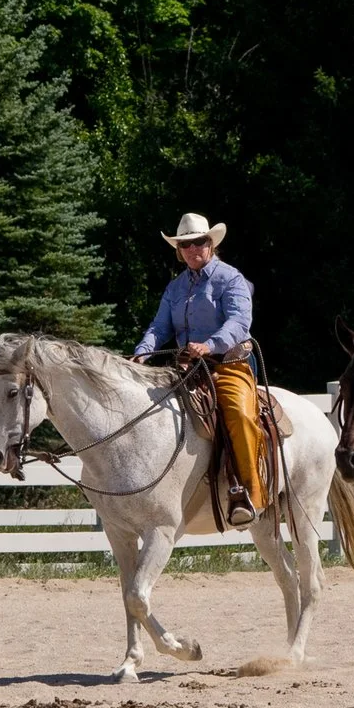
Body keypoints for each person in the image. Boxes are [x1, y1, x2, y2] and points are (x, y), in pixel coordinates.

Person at [135, 211, 267, 528]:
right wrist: (142, 352)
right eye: (185, 245)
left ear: (211, 243)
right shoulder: (175, 288)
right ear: (179, 251)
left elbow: (239, 322)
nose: (192, 249)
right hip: (188, 368)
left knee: (238, 413)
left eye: (199, 242)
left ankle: (250, 493)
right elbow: (159, 326)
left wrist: (209, 344)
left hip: (229, 365)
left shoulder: (230, 279)